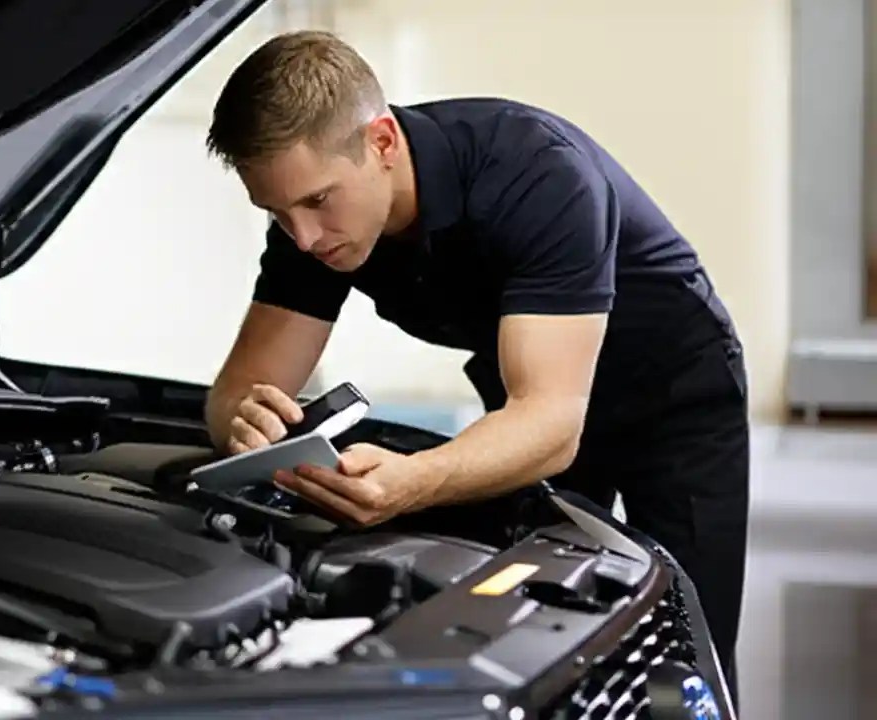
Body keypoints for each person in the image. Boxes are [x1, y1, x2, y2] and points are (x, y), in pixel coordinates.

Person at [200, 30, 748, 697]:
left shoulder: (537, 175)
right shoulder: (309, 227)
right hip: (531, 385)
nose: (303, 238)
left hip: (673, 385)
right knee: (540, 629)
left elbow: (552, 425)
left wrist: (415, 479)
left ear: (381, 143)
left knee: (682, 651)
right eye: (277, 213)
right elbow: (238, 390)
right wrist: (244, 421)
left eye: (317, 202)